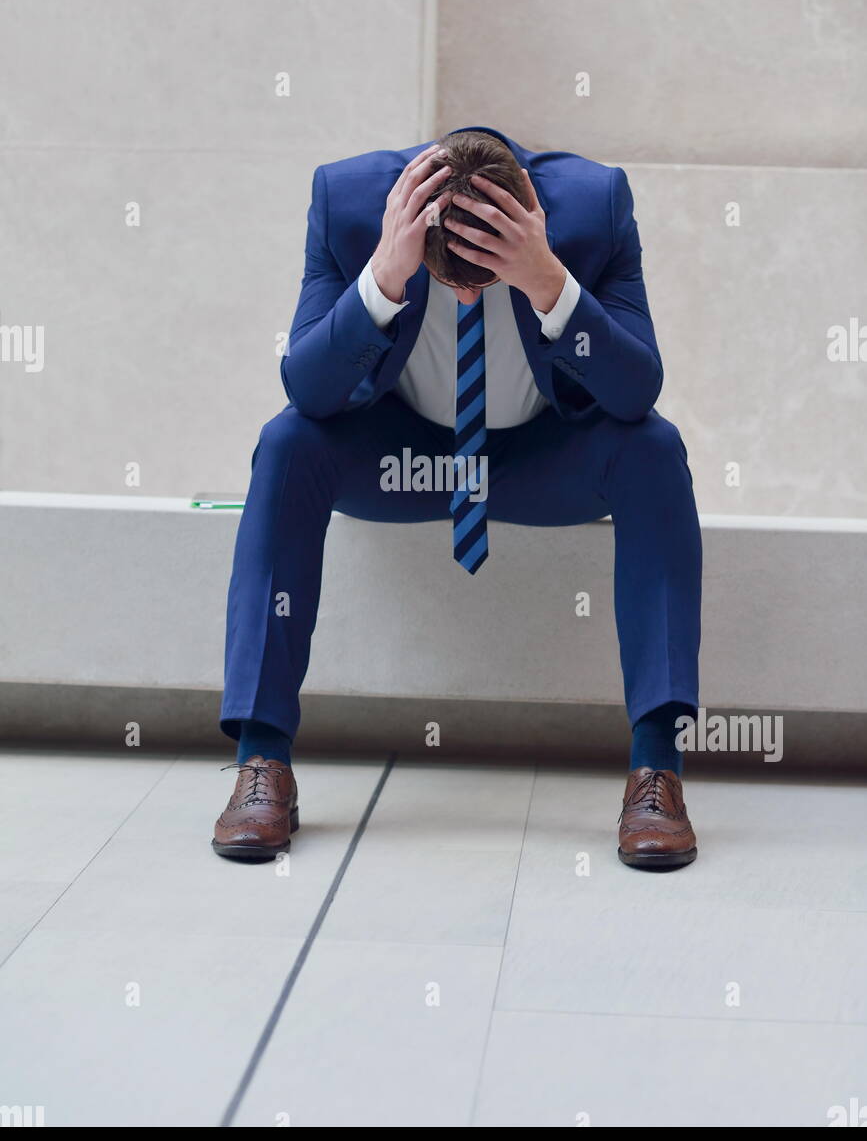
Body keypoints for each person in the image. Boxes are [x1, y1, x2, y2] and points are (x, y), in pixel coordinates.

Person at [212, 126, 702, 871]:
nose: (470, 293)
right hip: (405, 457)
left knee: (654, 449)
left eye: (486, 278)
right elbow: (308, 390)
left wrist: (546, 283)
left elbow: (635, 393)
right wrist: (382, 276)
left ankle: (654, 768)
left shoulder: (594, 208)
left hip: (534, 456)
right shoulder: (347, 201)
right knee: (286, 443)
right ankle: (261, 759)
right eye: (453, 284)